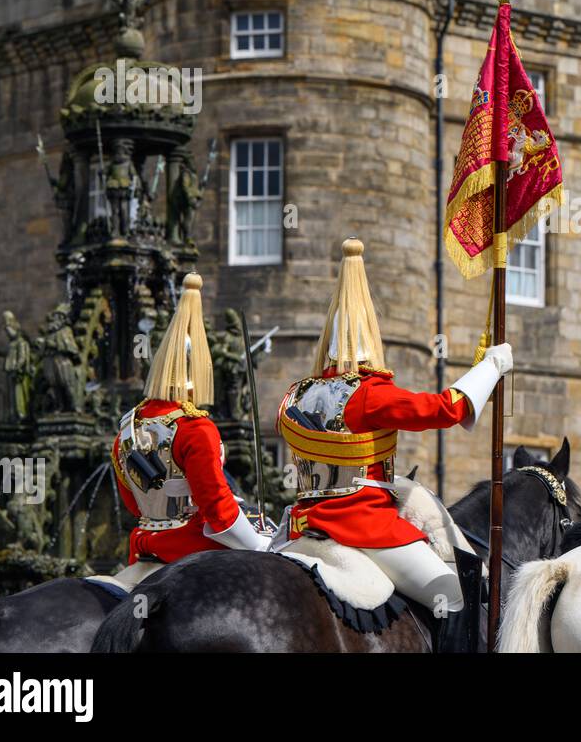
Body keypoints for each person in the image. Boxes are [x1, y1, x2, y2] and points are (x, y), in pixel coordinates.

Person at [276, 237, 511, 652]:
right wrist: (490, 367)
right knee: (454, 598)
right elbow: (445, 409)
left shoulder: (295, 395)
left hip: (301, 522)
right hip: (362, 525)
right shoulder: (371, 393)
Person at [111, 272, 270, 564]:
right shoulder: (195, 428)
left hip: (143, 547)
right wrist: (260, 546)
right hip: (192, 548)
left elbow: (134, 504)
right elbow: (217, 509)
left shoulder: (127, 427)